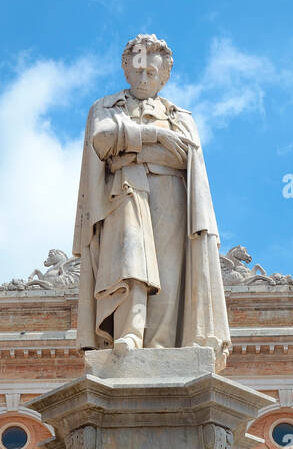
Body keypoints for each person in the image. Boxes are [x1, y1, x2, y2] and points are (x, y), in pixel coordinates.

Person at [74, 33, 230, 368]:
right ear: (126, 69)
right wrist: (156, 135)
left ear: (164, 76)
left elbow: (186, 156)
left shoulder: (180, 115)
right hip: (126, 190)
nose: (145, 79)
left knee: (169, 270)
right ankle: (129, 333)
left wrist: (127, 144)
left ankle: (159, 344)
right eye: (139, 71)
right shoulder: (104, 107)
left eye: (152, 74)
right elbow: (102, 141)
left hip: (171, 192)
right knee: (130, 260)